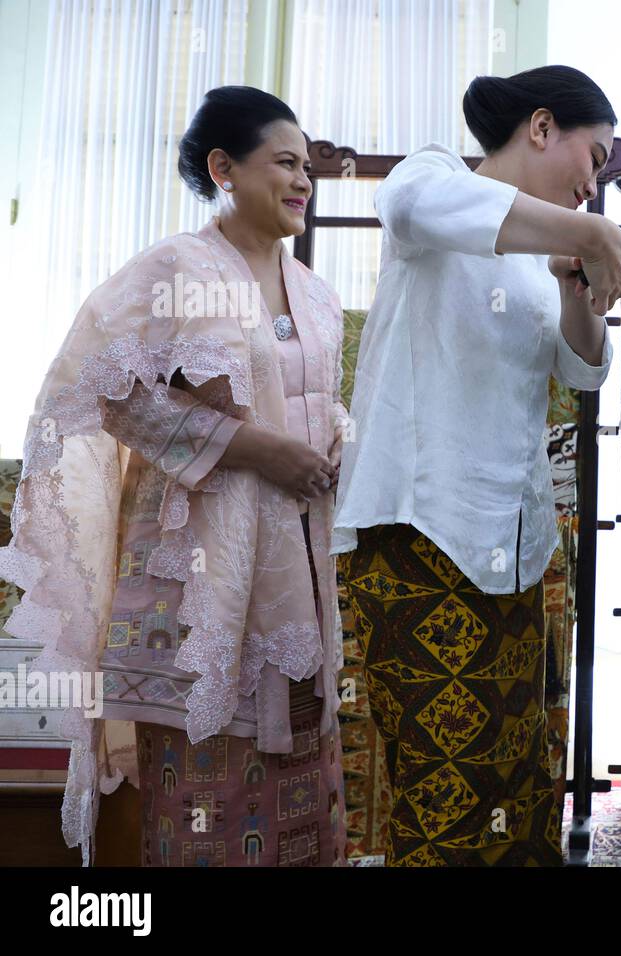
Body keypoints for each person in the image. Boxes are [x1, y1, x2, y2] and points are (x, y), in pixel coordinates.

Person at [0, 86, 349, 866]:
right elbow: (98, 390)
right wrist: (256, 448)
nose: (302, 181)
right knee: (209, 804)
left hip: (295, 565)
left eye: (308, 167)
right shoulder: (175, 268)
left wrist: (329, 448)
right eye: (283, 163)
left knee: (303, 799)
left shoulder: (318, 296)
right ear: (224, 168)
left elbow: (320, 407)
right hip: (198, 573)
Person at [331, 65, 621, 866]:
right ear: (541, 128)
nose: (595, 182)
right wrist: (584, 235)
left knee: (518, 781)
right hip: (418, 535)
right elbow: (408, 205)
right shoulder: (434, 180)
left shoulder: (543, 248)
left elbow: (582, 373)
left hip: (510, 550)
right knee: (447, 790)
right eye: (595, 156)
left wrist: (576, 292)